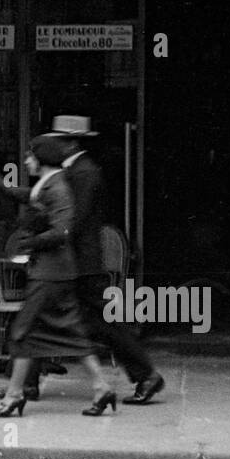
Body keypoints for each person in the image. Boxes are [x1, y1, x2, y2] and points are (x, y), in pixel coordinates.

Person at [0, 135, 115, 418]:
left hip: (50, 274)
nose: (27, 160)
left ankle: (14, 395)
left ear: (42, 160)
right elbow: (18, 193)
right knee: (72, 331)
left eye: (31, 156)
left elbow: (62, 231)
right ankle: (102, 387)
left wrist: (29, 243)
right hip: (56, 272)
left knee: (21, 333)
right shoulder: (48, 183)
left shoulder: (57, 187)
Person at [52, 116, 165, 406]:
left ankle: (146, 374)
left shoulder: (85, 172)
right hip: (78, 262)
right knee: (63, 318)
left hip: (83, 264)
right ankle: (24, 383)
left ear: (71, 142)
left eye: (59, 140)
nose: (55, 145)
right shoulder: (77, 170)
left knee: (100, 323)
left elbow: (74, 218)